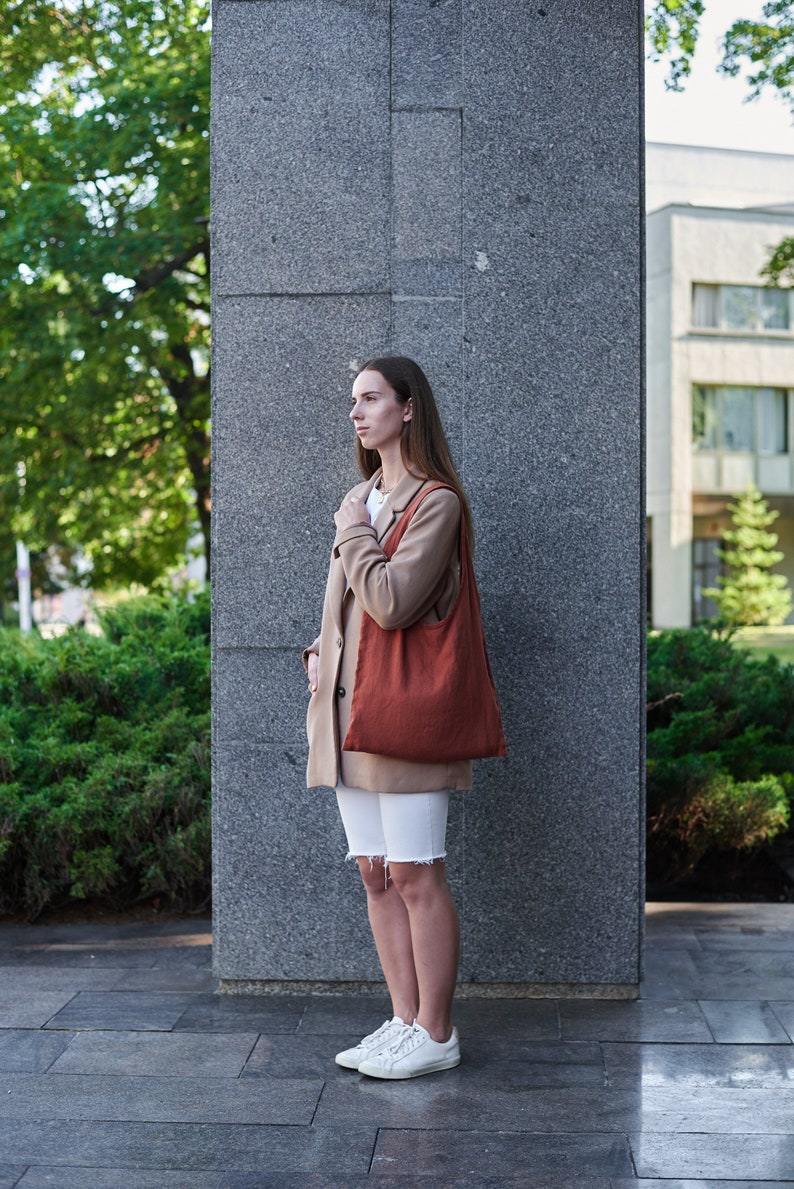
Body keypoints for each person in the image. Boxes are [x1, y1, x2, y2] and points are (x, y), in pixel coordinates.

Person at [302, 355, 476, 1080]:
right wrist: (315, 652)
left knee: (414, 871)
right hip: (347, 712)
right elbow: (344, 611)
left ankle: (437, 1031)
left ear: (408, 408)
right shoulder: (360, 497)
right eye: (353, 399)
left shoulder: (435, 502)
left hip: (405, 715)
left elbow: (394, 600)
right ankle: (403, 1019)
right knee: (374, 872)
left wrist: (351, 531)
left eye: (371, 397)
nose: (357, 411)